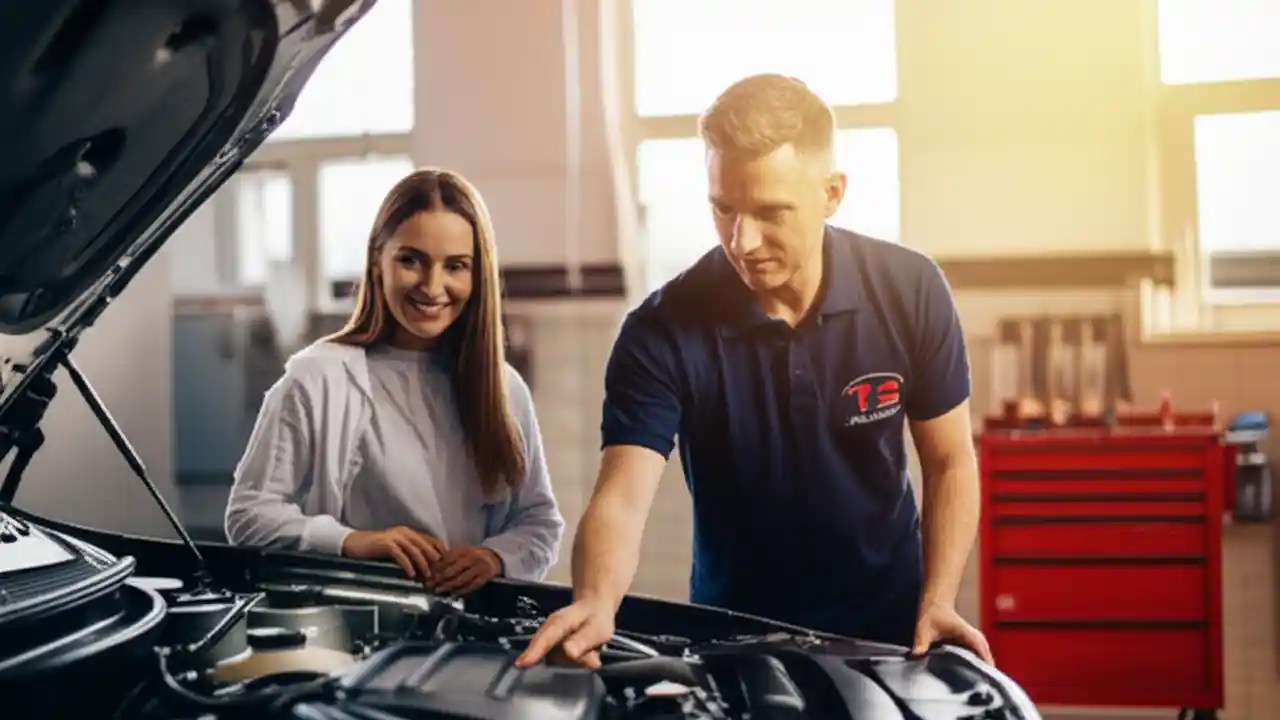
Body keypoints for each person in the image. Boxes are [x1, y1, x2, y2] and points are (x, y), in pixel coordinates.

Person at [517, 73, 990, 668]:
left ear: (832, 193)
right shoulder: (660, 329)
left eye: (771, 212)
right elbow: (622, 496)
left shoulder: (910, 289)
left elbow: (950, 460)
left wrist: (939, 598)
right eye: (724, 209)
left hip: (889, 630)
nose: (743, 241)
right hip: (731, 636)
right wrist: (595, 598)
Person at [225, 168, 563, 596]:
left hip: (469, 630)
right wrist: (351, 541)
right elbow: (249, 516)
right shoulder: (318, 376)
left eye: (455, 266)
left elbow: (539, 523)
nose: (432, 286)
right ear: (377, 262)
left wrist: (495, 557)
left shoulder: (504, 387)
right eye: (411, 260)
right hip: (356, 627)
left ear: (478, 277)